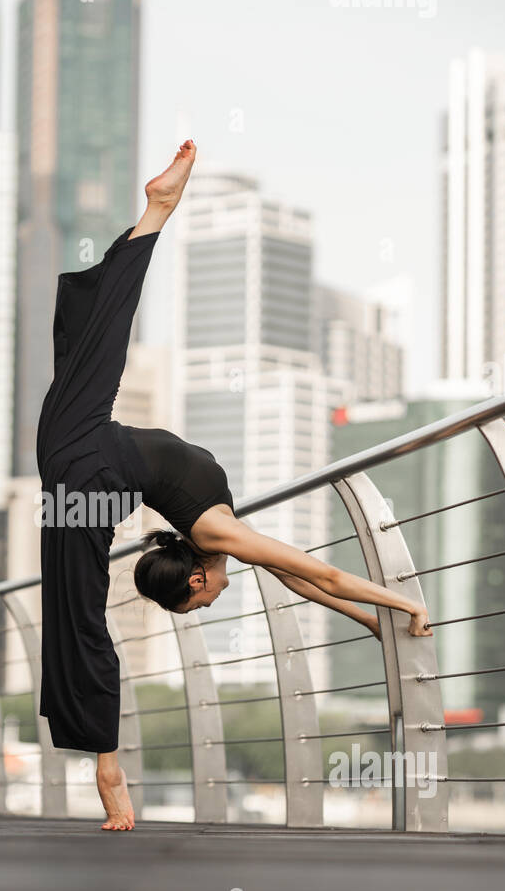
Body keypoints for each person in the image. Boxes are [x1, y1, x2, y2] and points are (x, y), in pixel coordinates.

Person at [35, 140, 432, 831]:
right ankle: (156, 211)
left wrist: (395, 604)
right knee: (93, 340)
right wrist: (378, 616)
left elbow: (316, 574)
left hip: (87, 460)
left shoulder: (214, 533)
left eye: (200, 606)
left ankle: (107, 768)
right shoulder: (219, 536)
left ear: (195, 580)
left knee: (78, 614)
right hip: (74, 446)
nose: (213, 601)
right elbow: (305, 580)